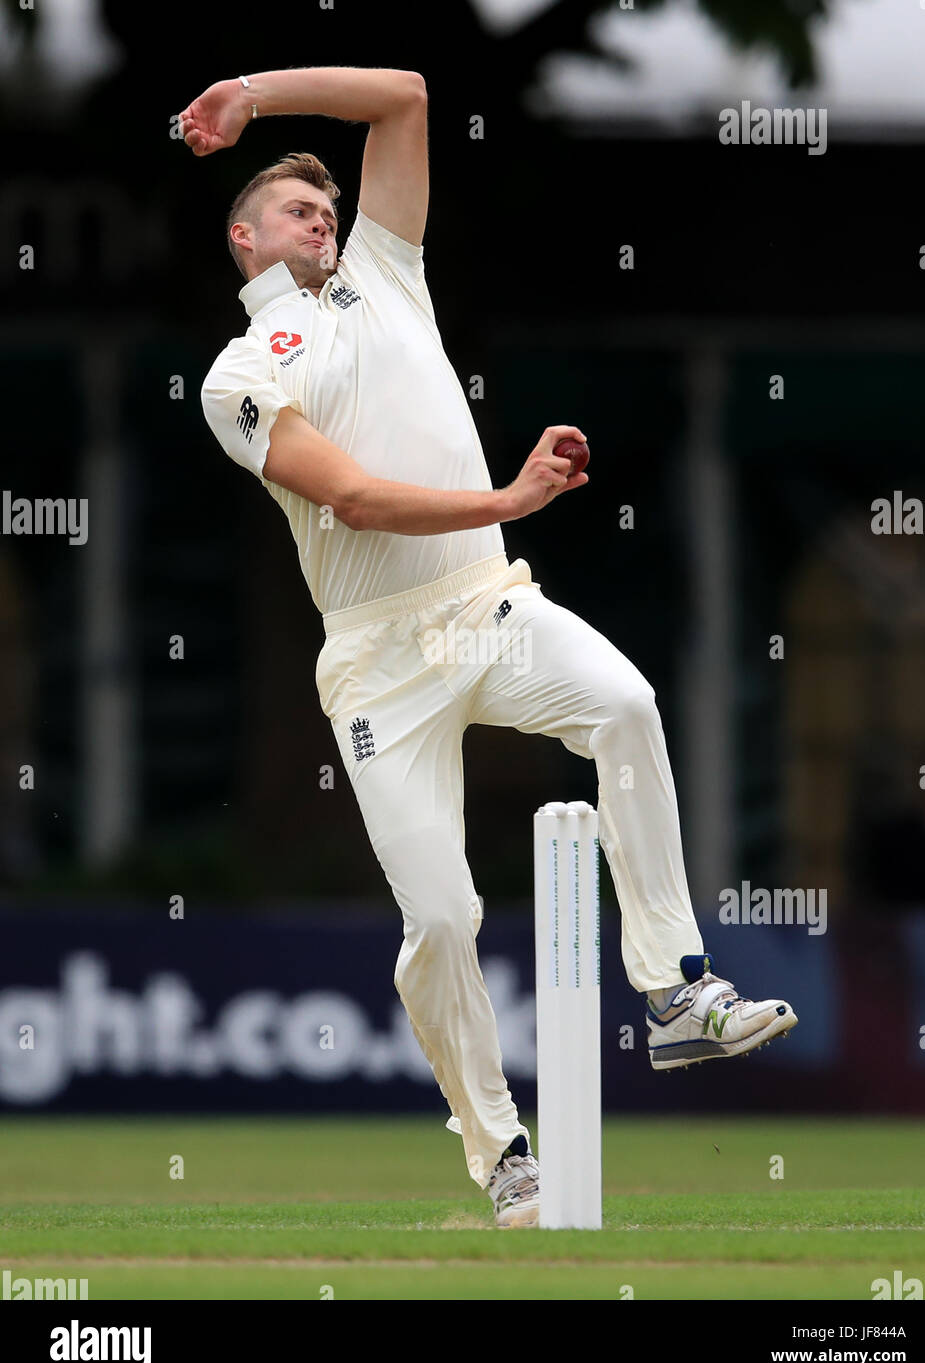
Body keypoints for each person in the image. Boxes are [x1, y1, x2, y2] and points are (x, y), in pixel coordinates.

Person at [180, 65, 797, 1228]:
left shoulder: (385, 271)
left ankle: (671, 986)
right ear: (242, 235)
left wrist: (254, 96)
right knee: (443, 919)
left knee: (622, 702)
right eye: (294, 207)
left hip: (484, 604)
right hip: (375, 663)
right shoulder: (239, 377)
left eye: (328, 203)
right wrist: (509, 498)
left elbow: (405, 97)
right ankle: (500, 1148)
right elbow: (353, 499)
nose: (321, 215)